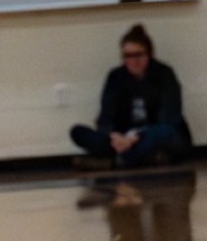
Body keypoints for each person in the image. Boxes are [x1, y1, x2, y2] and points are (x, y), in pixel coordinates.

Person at [68, 24, 192, 171]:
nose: (133, 61)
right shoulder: (115, 77)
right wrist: (114, 136)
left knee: (165, 134)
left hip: (151, 134)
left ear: (149, 54)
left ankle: (116, 162)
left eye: (138, 55)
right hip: (123, 136)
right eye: (128, 56)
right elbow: (106, 116)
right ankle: (141, 159)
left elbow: (169, 118)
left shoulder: (165, 74)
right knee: (78, 132)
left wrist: (137, 137)